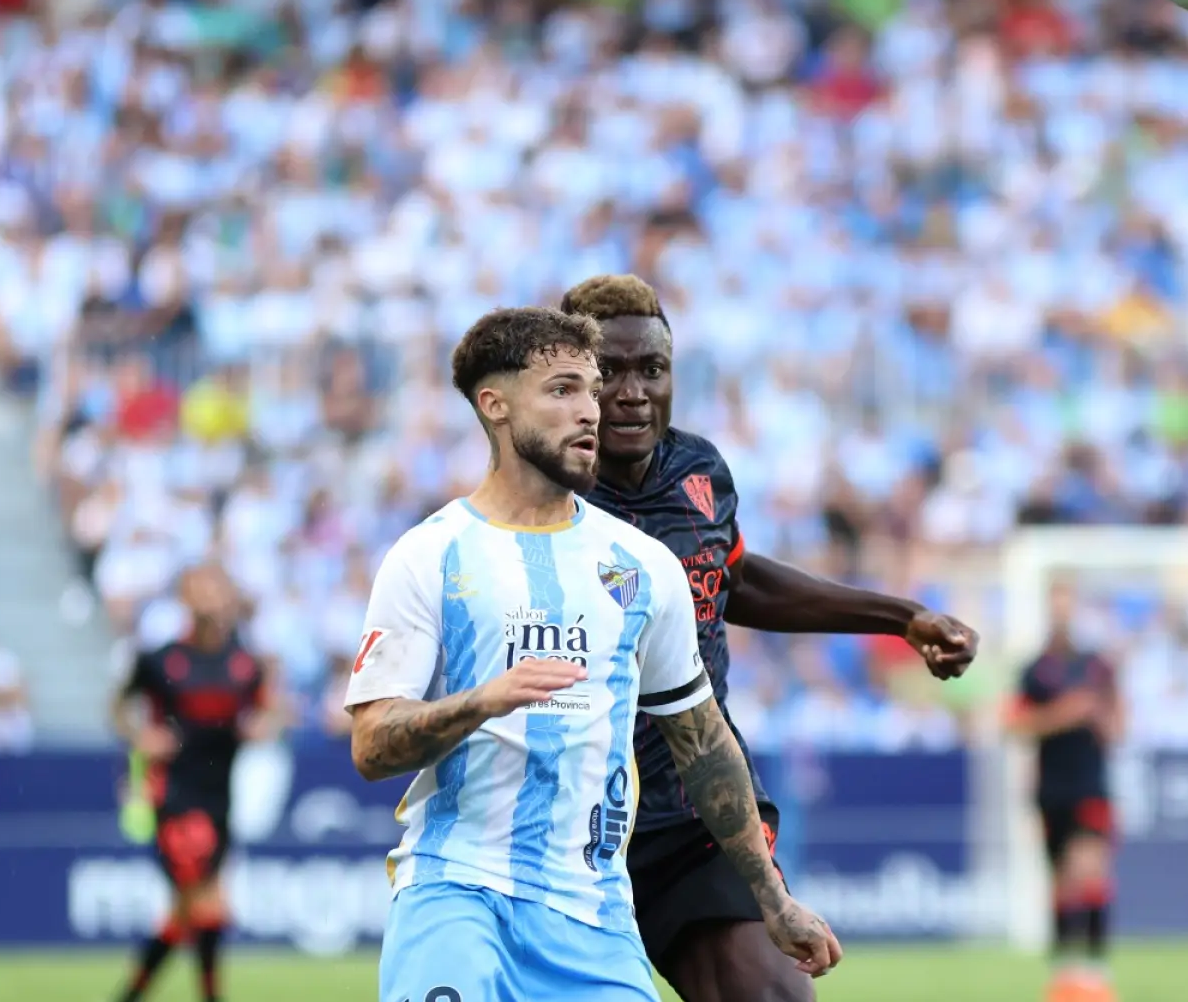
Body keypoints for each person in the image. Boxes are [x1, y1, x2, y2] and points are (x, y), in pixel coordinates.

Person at [346, 307, 841, 1002]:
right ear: (494, 405)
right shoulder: (429, 555)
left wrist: (773, 897)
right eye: (562, 390)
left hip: (594, 916)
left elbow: (703, 744)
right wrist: (479, 702)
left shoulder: (642, 564)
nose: (591, 411)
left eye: (591, 390)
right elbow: (372, 746)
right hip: (457, 892)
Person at [559, 273, 979, 1002]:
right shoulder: (541, 494)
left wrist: (900, 617)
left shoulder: (699, 472)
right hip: (564, 817)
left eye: (651, 369)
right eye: (609, 374)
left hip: (691, 815)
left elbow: (735, 578)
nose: (632, 393)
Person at [111, 563, 282, 1002]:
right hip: (174, 796)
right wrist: (140, 736)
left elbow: (272, 710)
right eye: (201, 588)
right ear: (185, 598)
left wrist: (264, 725)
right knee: (208, 904)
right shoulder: (160, 659)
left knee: (189, 914)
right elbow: (118, 706)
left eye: (217, 588)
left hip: (220, 799)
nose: (210, 598)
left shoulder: (244, 664)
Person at [1009, 581, 1121, 1002]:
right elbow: (1016, 724)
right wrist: (1065, 713)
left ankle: (1095, 967)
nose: (1063, 612)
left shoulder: (1098, 667)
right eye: (1056, 604)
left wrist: (1101, 718)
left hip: (1090, 783)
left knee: (1090, 868)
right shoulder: (1034, 670)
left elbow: (1119, 725)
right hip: (1051, 786)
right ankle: (1063, 971)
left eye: (1068, 603)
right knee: (1059, 878)